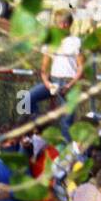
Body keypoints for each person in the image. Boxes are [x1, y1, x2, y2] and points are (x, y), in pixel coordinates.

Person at [27, 10, 83, 138]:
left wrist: (70, 85)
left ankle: (65, 151)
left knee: (66, 121)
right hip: (53, 81)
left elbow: (80, 68)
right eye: (60, 23)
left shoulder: (75, 42)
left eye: (65, 23)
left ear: (70, 25)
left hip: (69, 82)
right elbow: (44, 68)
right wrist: (47, 83)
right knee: (26, 98)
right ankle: (37, 125)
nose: (62, 26)